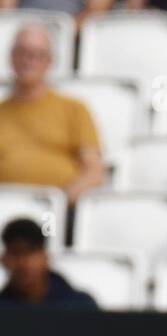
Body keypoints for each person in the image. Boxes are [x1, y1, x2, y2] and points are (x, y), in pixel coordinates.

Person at [0, 24, 105, 205]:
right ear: (11, 58)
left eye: (38, 55)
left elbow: (94, 171)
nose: (29, 60)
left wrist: (59, 204)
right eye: (22, 52)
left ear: (50, 62)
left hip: (59, 212)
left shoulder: (74, 109)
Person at [0, 216, 97, 310]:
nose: (23, 262)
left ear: (46, 257)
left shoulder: (80, 306)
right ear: (3, 260)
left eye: (31, 252)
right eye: (15, 253)